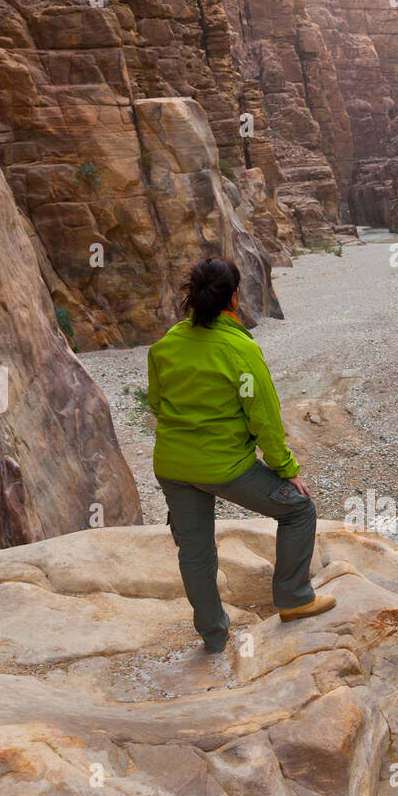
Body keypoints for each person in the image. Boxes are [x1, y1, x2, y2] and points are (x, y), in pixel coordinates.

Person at [147, 257, 336, 653]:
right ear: (234, 297)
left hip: (172, 465)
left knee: (195, 550)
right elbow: (264, 419)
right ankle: (294, 599)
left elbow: (158, 405)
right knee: (299, 510)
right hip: (225, 468)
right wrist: (287, 470)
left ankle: (214, 638)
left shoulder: (165, 346)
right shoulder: (240, 350)